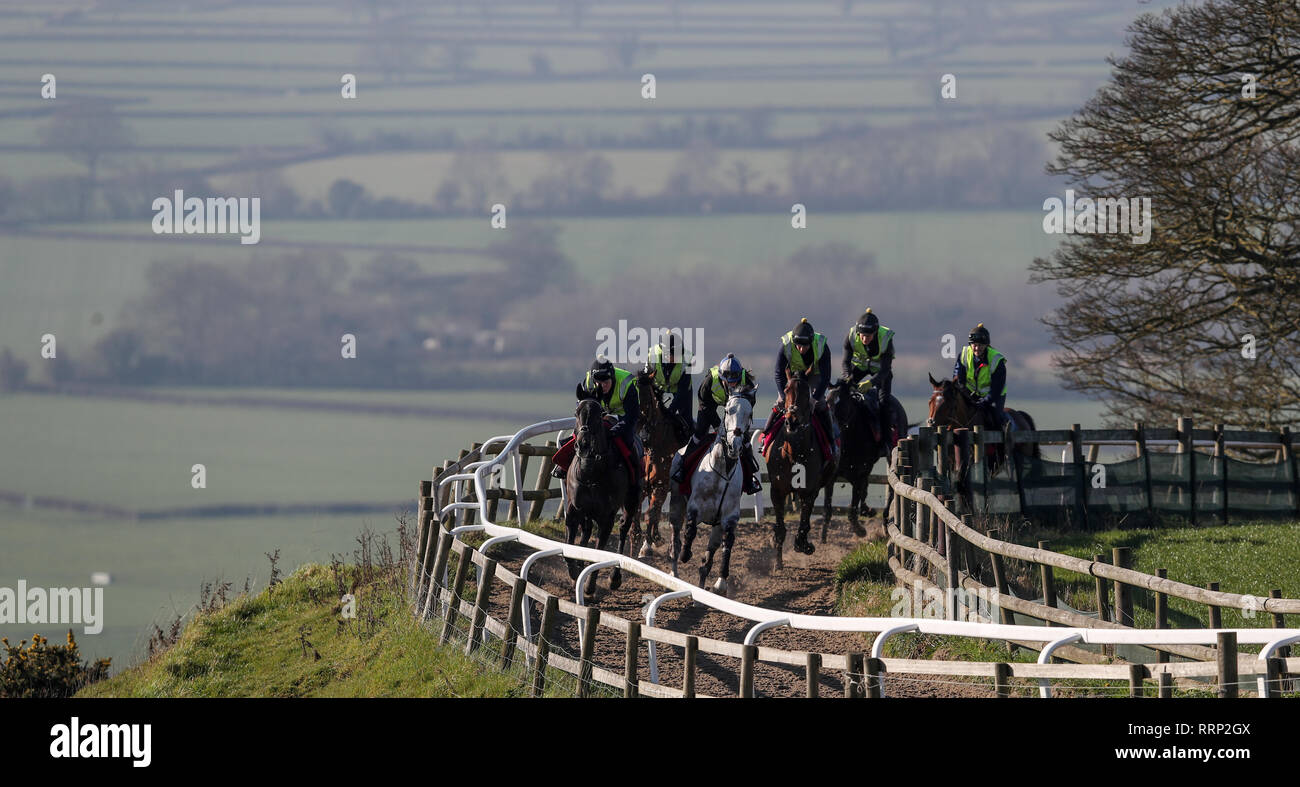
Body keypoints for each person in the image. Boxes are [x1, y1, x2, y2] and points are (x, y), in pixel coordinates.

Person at [671, 353, 761, 494]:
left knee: (743, 439)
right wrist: (718, 424)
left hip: (735, 406)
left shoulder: (746, 382)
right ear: (721, 377)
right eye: (728, 381)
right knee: (699, 434)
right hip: (709, 405)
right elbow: (703, 403)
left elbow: (749, 404)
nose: (732, 384)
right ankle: (683, 467)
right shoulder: (709, 380)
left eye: (734, 381)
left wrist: (737, 422)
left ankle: (750, 479)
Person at [550, 357, 642, 492]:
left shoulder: (627, 383)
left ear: (613, 377)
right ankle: (564, 467)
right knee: (579, 436)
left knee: (628, 442)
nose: (602, 385)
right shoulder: (588, 382)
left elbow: (632, 416)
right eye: (599, 381)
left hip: (622, 417)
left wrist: (615, 431)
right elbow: (582, 409)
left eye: (606, 381)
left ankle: (635, 478)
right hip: (599, 416)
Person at [766, 317, 837, 461]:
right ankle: (766, 437)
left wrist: (814, 399)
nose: (801, 349)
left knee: (822, 404)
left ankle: (831, 443)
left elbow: (825, 378)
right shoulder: (786, 345)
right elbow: (778, 373)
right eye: (798, 346)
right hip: (793, 376)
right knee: (780, 403)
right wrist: (782, 395)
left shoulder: (822, 345)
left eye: (805, 346)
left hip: (814, 376)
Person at [840, 307, 895, 441]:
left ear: (875, 332)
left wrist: (870, 383)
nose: (864, 339)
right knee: (841, 393)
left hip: (880, 372)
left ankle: (886, 442)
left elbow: (885, 370)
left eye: (868, 336)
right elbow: (845, 363)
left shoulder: (885, 338)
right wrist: (848, 378)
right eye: (862, 336)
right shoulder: (851, 336)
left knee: (883, 402)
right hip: (859, 368)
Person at [953, 322, 1008, 428]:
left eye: (980, 345)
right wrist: (966, 396)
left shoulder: (996, 359)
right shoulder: (964, 354)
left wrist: (984, 402)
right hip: (970, 394)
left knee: (996, 418)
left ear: (987, 345)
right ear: (970, 344)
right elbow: (958, 379)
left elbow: (996, 389)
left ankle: (1004, 436)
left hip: (994, 396)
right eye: (974, 345)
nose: (977, 348)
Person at [643, 329, 694, 442]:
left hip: (681, 392)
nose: (677, 358)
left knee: (686, 424)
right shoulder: (652, 356)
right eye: (674, 355)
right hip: (658, 390)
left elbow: (682, 391)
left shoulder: (686, 360)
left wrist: (670, 411)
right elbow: (646, 382)